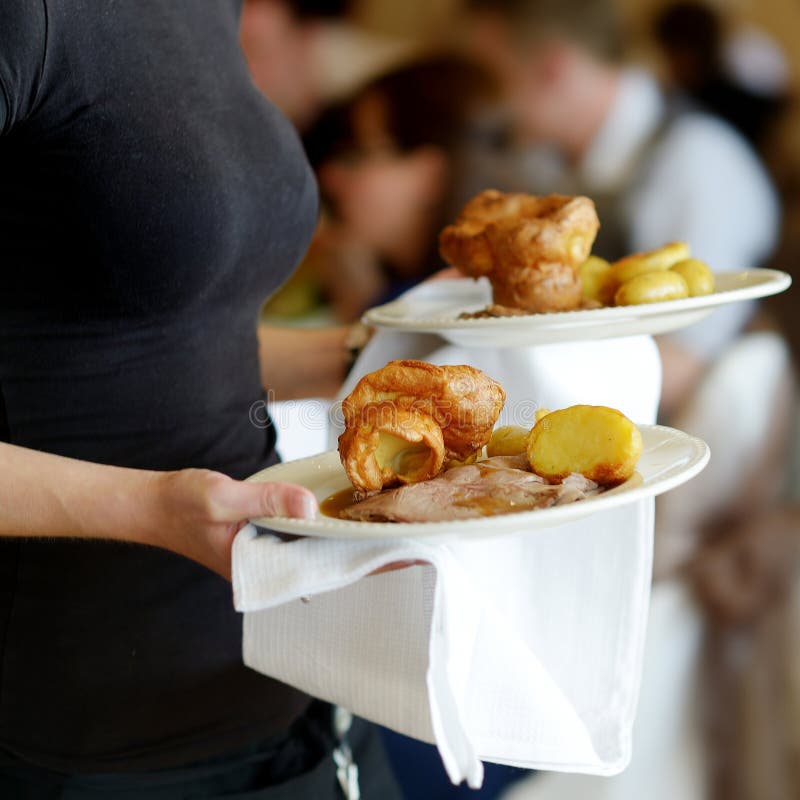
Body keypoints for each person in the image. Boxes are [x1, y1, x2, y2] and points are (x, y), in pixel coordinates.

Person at [0, 1, 401, 796]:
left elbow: (173, 338)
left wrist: (379, 354)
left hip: (291, 675)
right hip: (82, 730)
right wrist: (150, 509)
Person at [298, 54, 497, 322]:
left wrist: (365, 312)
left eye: (357, 155)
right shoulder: (384, 285)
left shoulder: (458, 312)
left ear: (429, 176)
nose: (330, 176)